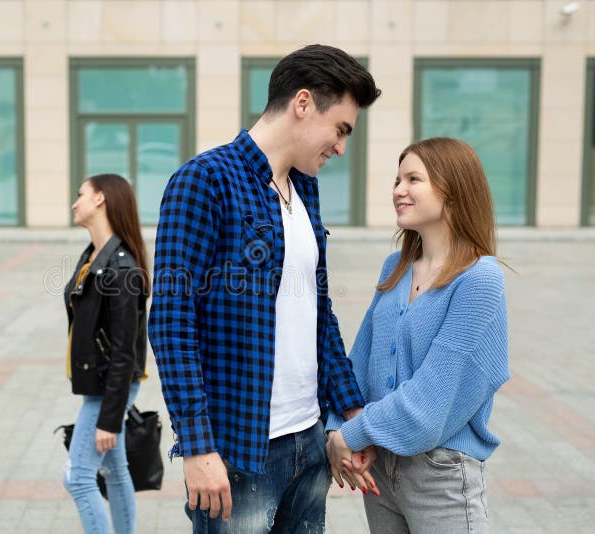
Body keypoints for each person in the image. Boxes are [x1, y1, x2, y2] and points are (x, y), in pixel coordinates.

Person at [148, 44, 382, 532]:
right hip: (239, 452)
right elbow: (171, 320)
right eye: (341, 129)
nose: (341, 147)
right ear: (302, 104)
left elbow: (318, 312)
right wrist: (196, 446)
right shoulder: (205, 180)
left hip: (311, 441)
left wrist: (353, 410)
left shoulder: (304, 189)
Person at [326, 137, 510, 533]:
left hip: (440, 474)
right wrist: (334, 429)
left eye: (413, 179)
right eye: (397, 180)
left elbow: (430, 404)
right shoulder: (396, 266)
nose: (398, 190)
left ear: (454, 190)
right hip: (380, 468)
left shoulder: (480, 280)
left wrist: (351, 434)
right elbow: (359, 363)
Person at [62, 174, 149, 534]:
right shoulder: (94, 255)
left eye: (80, 194)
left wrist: (109, 418)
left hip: (107, 388)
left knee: (78, 477)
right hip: (100, 383)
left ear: (100, 199)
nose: (74, 202)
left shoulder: (122, 268)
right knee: (115, 471)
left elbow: (125, 353)